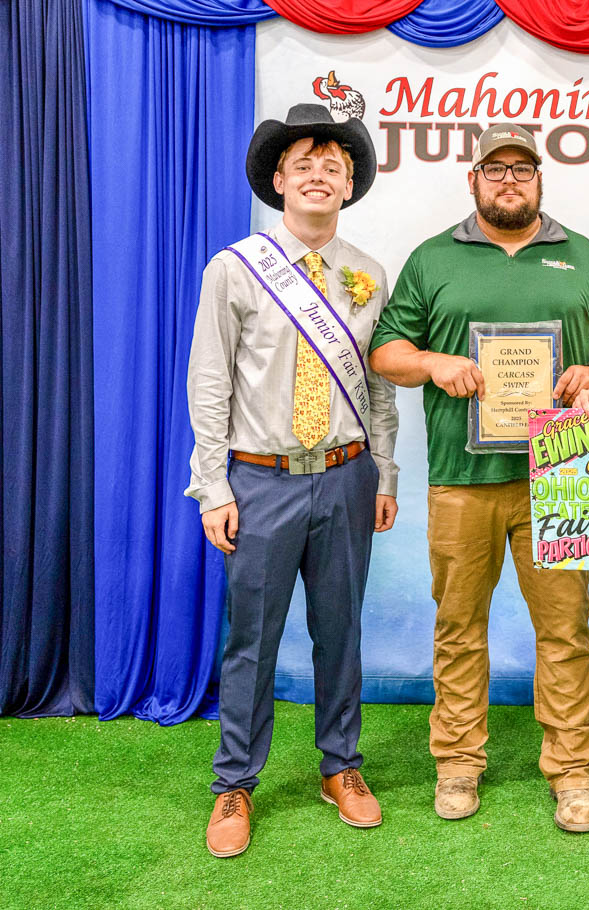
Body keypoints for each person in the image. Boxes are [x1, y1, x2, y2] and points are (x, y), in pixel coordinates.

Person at [368, 123, 589, 833]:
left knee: (565, 629)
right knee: (459, 626)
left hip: (564, 474)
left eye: (522, 168)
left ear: (540, 179)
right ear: (474, 180)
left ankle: (574, 772)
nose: (509, 180)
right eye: (496, 169)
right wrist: (432, 363)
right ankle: (458, 763)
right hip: (462, 477)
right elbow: (386, 351)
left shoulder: (582, 255)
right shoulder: (433, 258)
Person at [187, 104, 399, 858]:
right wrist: (213, 486)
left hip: (346, 475)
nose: (317, 175)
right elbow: (209, 382)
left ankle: (340, 766)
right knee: (253, 638)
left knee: (340, 631)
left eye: (331, 166)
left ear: (348, 184)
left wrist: (385, 471)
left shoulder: (369, 274)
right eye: (302, 164)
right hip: (261, 480)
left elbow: (379, 388)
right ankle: (235, 782)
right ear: (278, 181)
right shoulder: (236, 267)